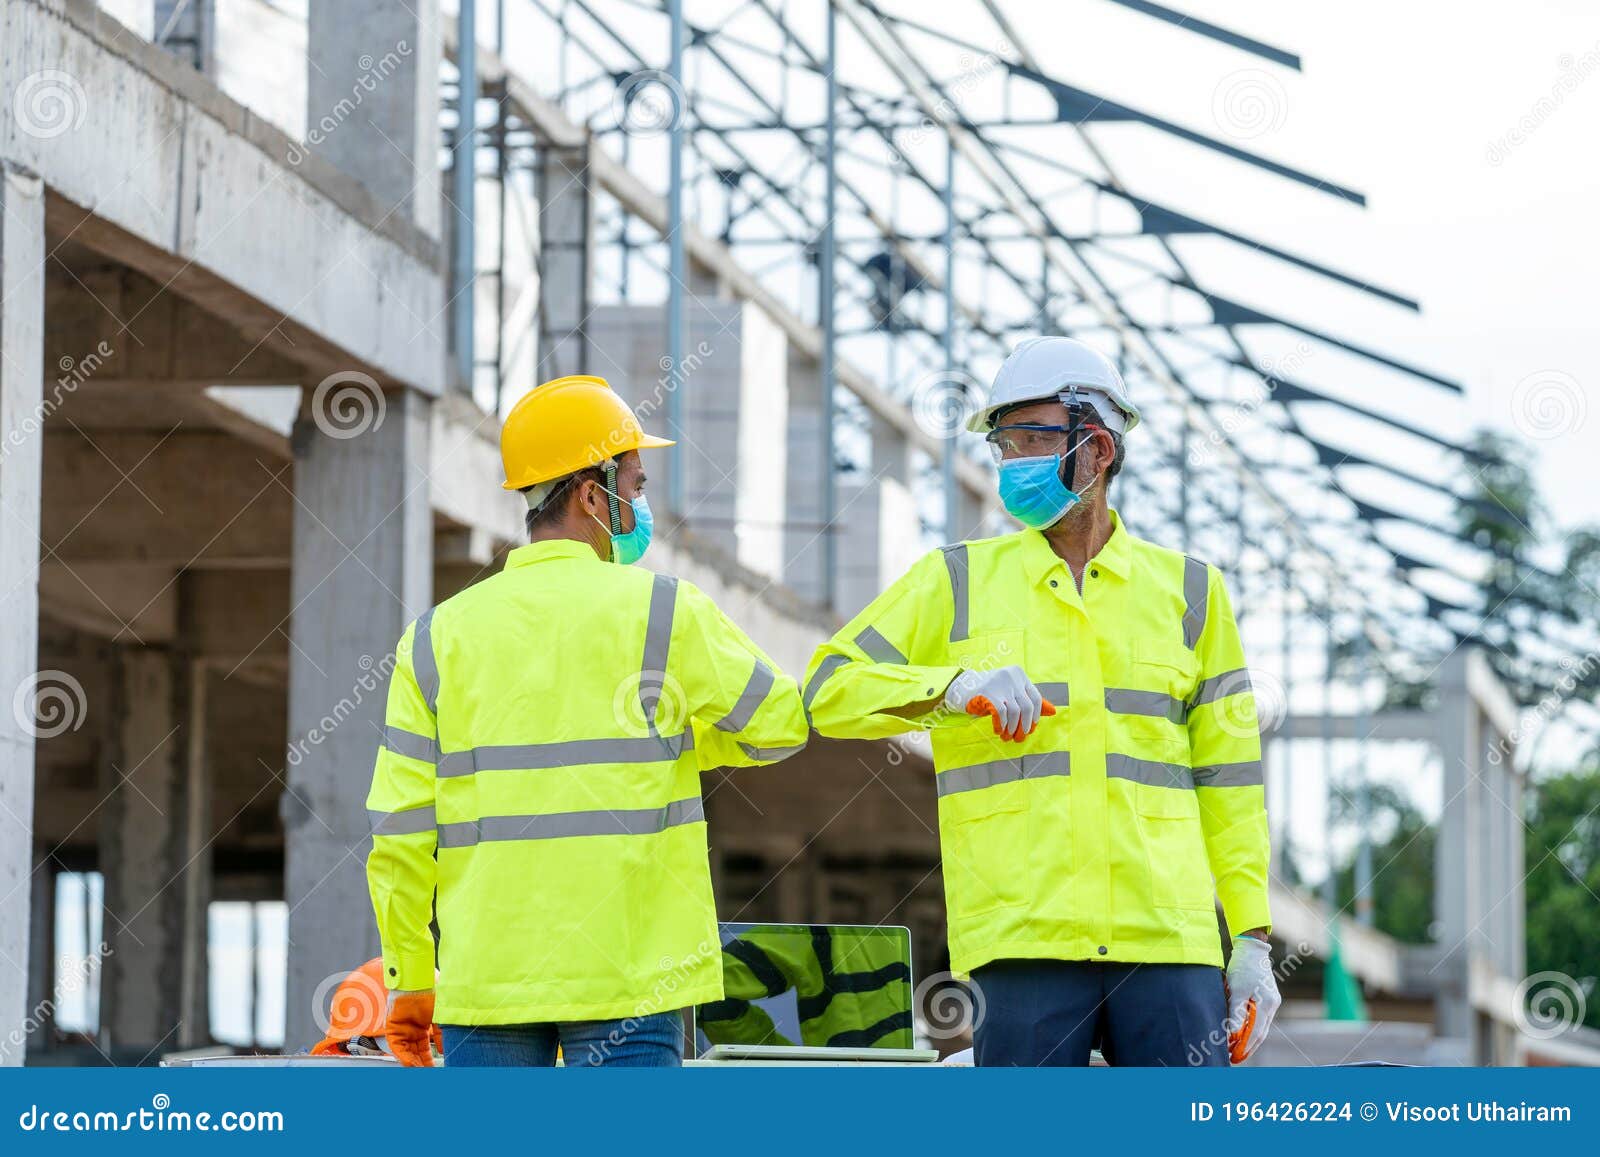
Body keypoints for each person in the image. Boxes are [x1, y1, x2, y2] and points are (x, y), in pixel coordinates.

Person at [802, 337, 1280, 1067]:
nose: (1013, 460)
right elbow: (828, 687)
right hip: (1022, 939)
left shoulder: (1191, 593)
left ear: (1098, 448)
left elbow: (1231, 781)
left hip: (1169, 941)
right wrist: (951, 688)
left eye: (1033, 437)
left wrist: (1250, 935)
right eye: (1006, 442)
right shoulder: (955, 581)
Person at [366, 374, 810, 1068]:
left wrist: (409, 977)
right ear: (589, 493)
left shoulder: (435, 637)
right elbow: (778, 722)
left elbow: (399, 834)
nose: (641, 504)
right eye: (634, 485)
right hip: (630, 981)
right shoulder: (667, 611)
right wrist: (682, 735)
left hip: (490, 982)